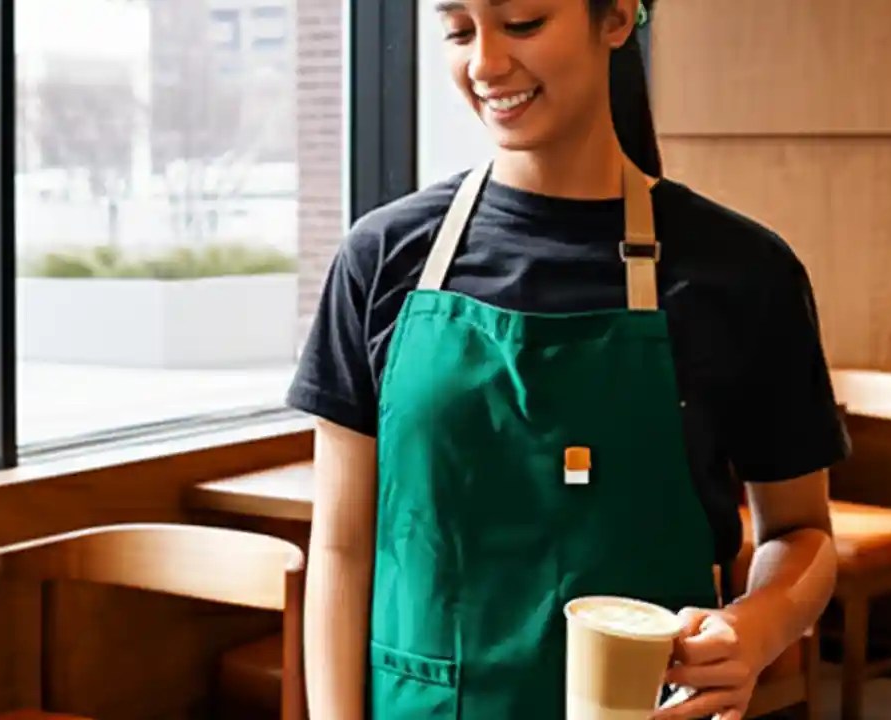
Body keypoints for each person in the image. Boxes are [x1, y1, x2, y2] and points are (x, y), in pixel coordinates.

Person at [286, 0, 846, 718]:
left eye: (521, 22)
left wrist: (754, 628)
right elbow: (340, 545)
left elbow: (802, 534)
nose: (484, 63)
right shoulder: (381, 257)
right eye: (458, 30)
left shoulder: (742, 272)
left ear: (615, 18)